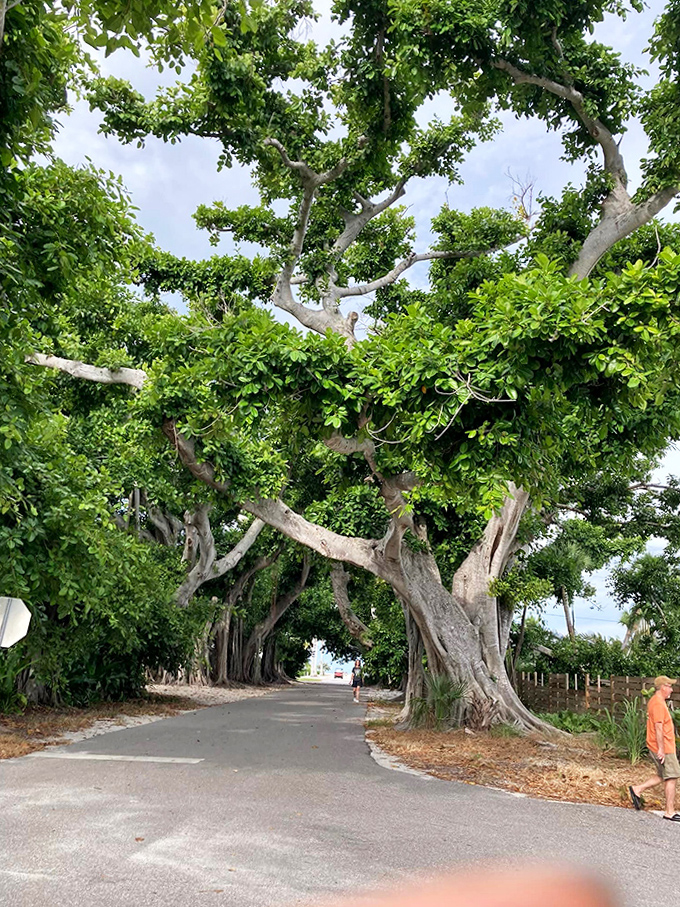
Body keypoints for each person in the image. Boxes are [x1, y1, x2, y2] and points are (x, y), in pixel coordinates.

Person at [629, 675, 680, 821]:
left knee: (663, 774)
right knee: (672, 776)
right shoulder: (657, 704)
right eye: (669, 686)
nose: (671, 689)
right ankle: (669, 812)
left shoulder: (658, 702)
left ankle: (637, 789)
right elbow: (658, 728)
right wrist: (662, 750)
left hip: (664, 745)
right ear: (663, 687)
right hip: (664, 747)